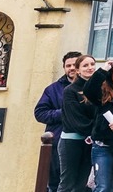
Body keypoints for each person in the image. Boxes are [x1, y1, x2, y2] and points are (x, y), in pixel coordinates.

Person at [36, 50, 82, 192]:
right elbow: (40, 113)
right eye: (68, 65)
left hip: (83, 142)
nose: (72, 68)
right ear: (64, 68)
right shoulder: (52, 89)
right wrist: (65, 113)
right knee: (56, 184)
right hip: (57, 144)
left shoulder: (90, 87)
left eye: (75, 65)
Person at [57, 54, 97, 192]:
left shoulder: (98, 89)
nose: (90, 68)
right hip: (71, 143)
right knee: (67, 183)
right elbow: (76, 120)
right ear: (78, 70)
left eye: (92, 64)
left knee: (81, 184)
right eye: (85, 65)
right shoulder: (70, 90)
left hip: (89, 142)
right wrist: (96, 130)